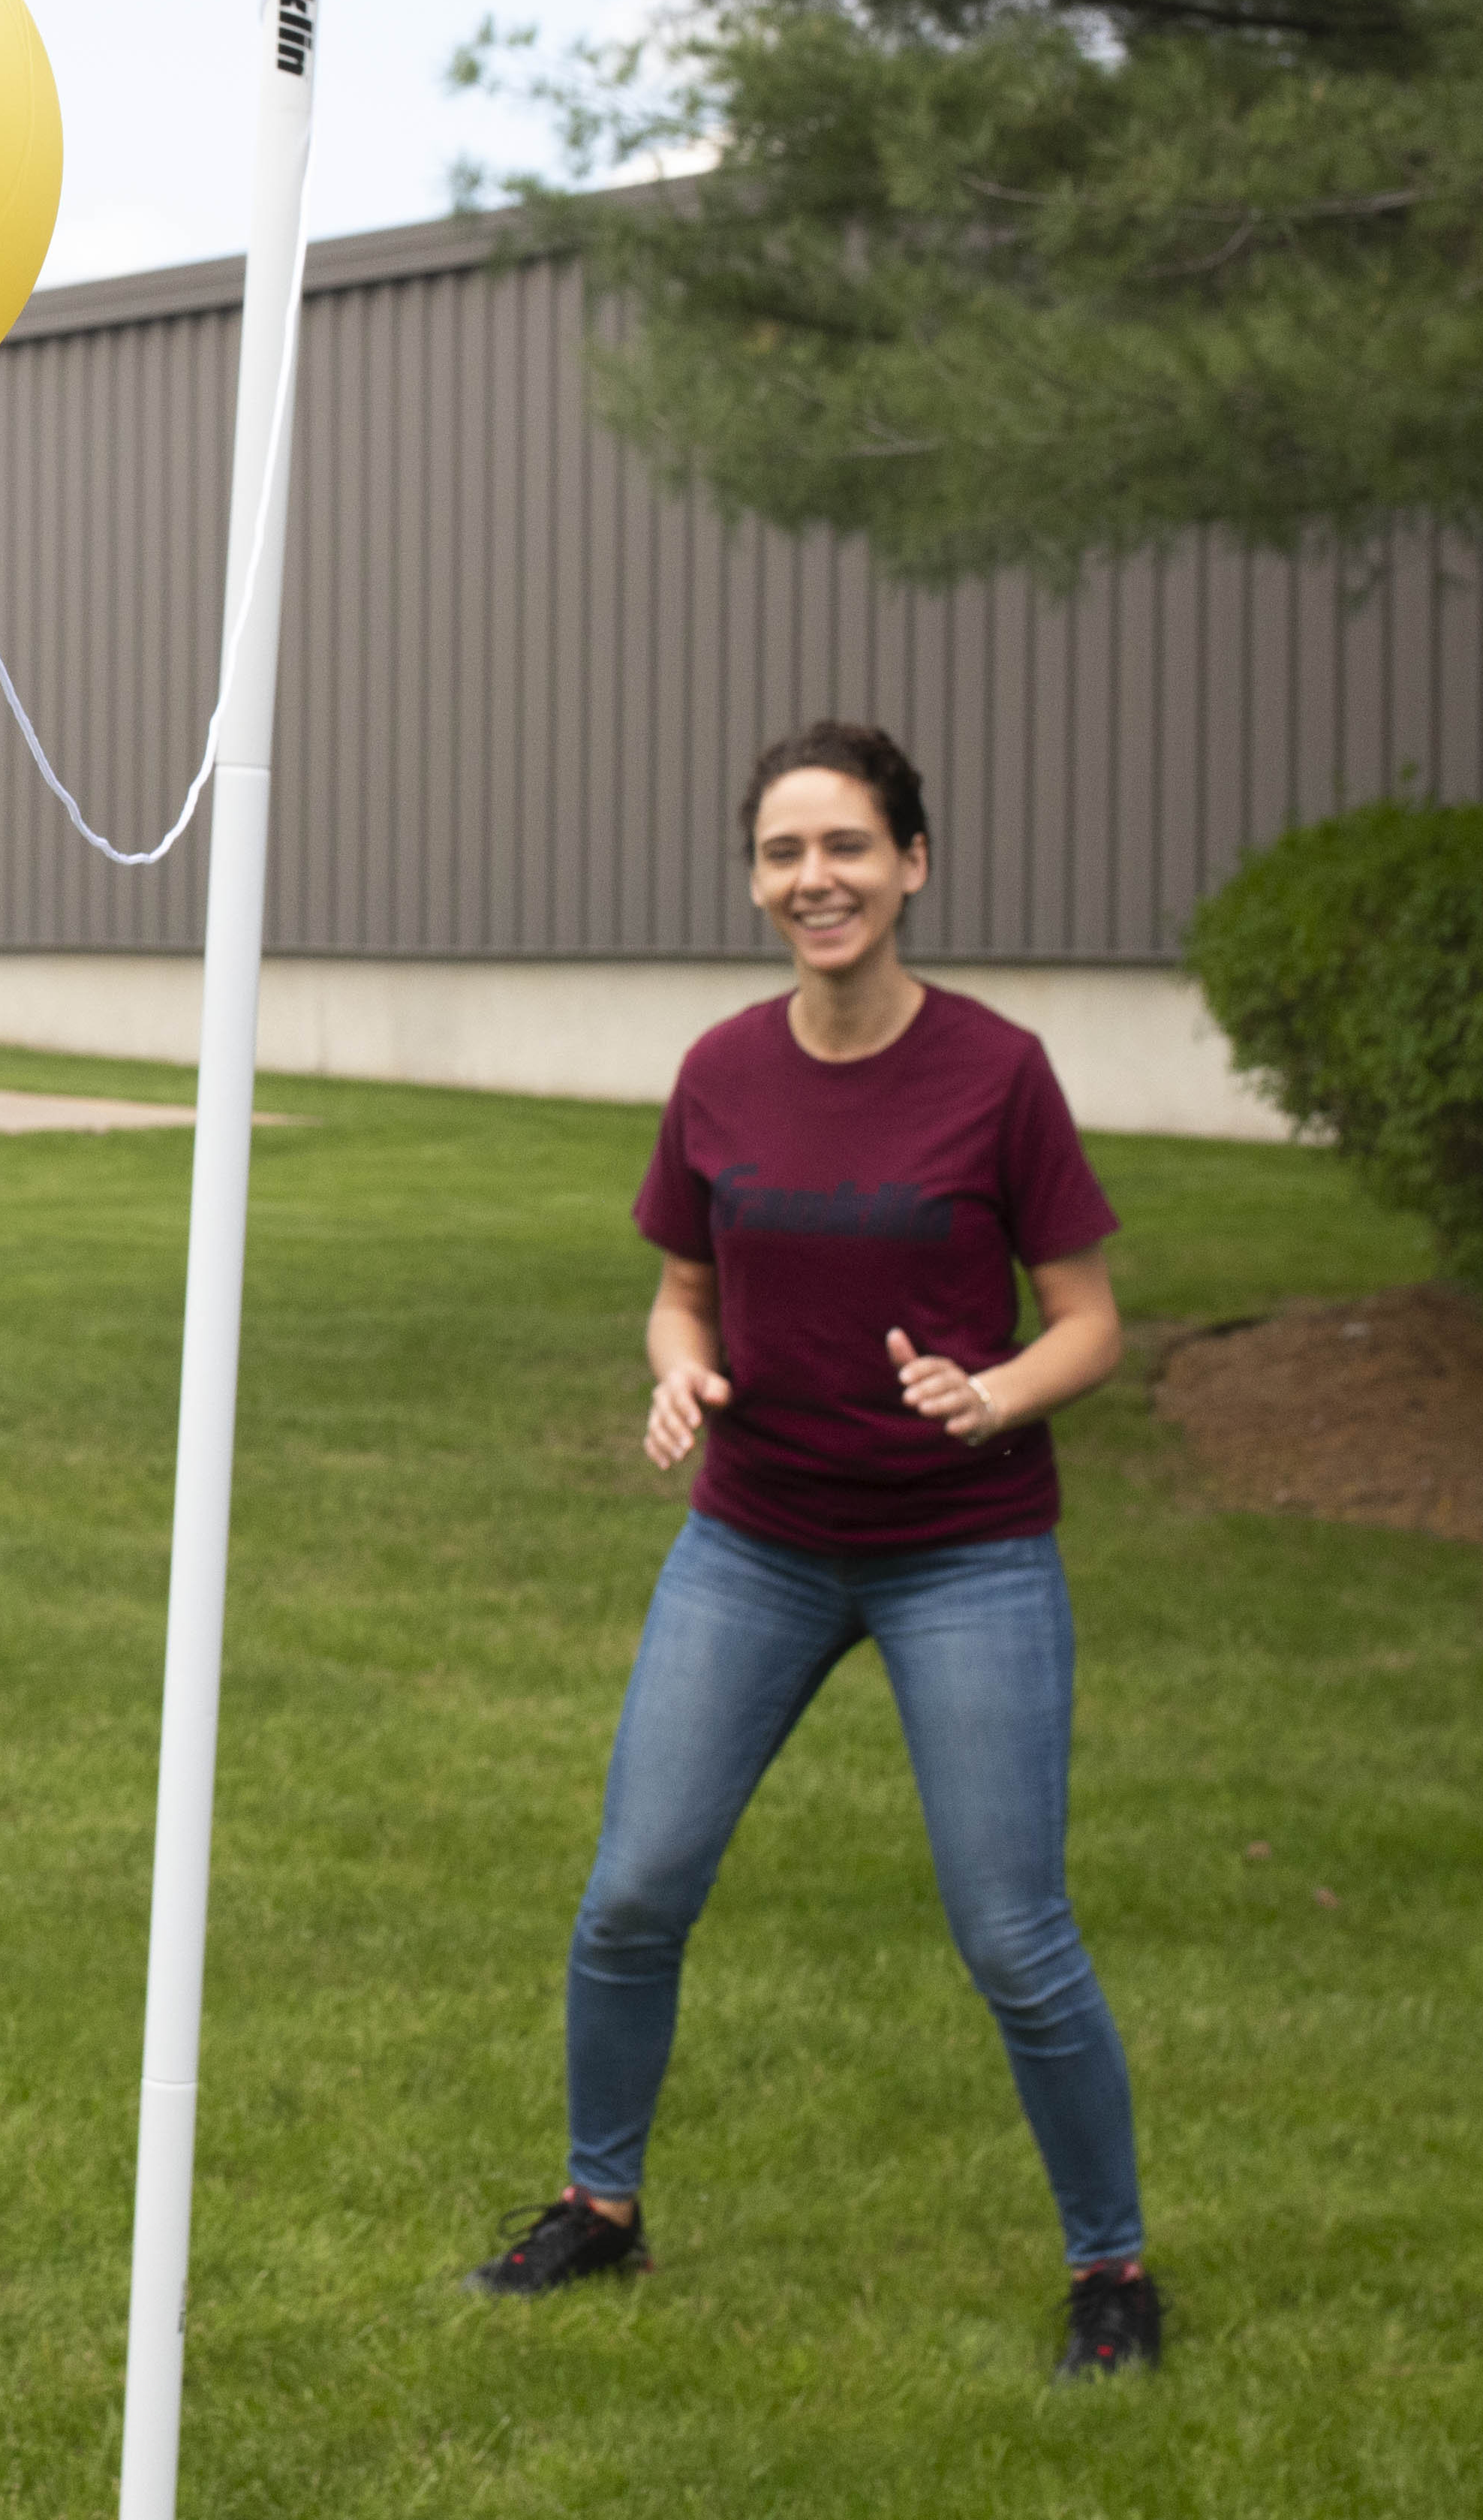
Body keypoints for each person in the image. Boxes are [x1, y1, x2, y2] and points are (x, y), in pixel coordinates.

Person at [462, 722, 1163, 2383]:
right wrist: (674, 1372)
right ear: (757, 879)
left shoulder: (996, 1070)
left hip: (963, 1552)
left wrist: (988, 1395)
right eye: (783, 852)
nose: (813, 878)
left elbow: (1091, 1324)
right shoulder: (718, 1071)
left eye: (845, 845)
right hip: (756, 1542)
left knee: (1012, 1931)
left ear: (910, 863)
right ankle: (599, 2208)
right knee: (633, 1890)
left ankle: (1111, 2273)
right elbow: (682, 1287)